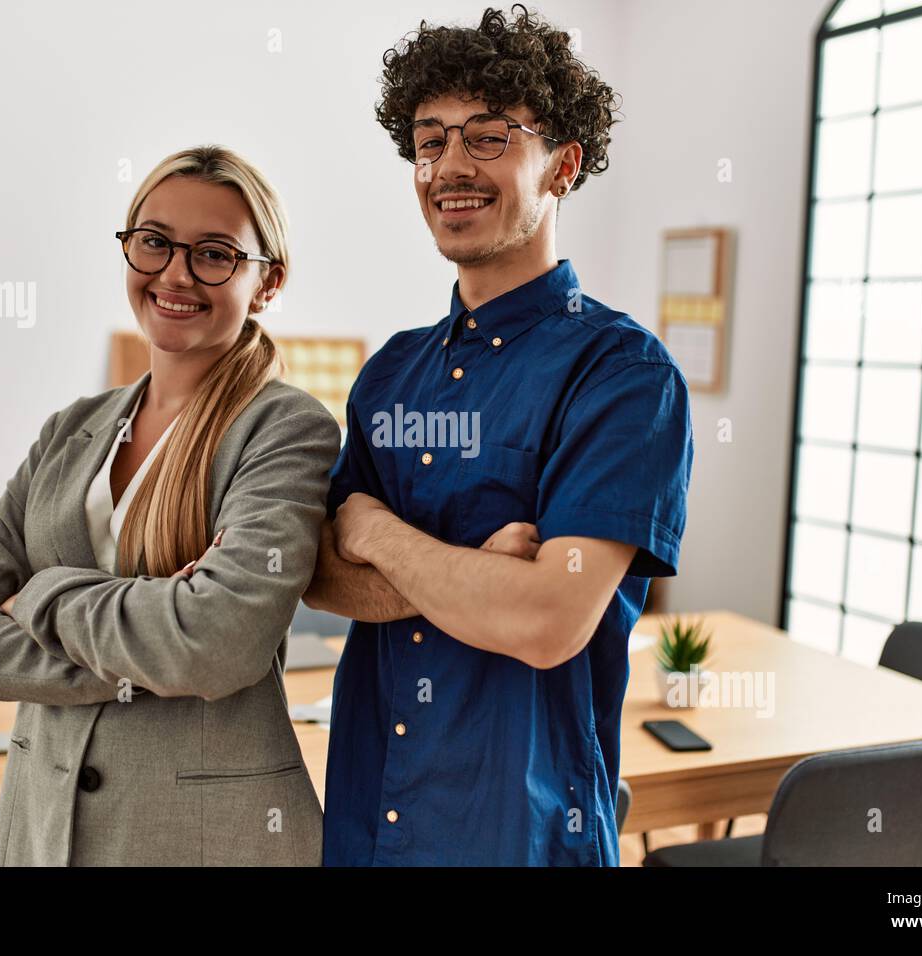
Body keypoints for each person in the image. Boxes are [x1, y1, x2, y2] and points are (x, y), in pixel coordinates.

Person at [305, 5, 694, 866]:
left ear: (562, 165)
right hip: (368, 814)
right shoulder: (390, 374)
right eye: (429, 138)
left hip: (517, 832)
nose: (448, 166)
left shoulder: (624, 377)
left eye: (487, 137)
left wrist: (379, 534)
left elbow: (549, 620)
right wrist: (469, 572)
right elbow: (322, 576)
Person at [0, 145, 340, 866]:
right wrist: (146, 653)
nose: (175, 273)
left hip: (206, 839)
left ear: (268, 281)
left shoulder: (286, 430)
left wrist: (42, 596)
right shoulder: (70, 429)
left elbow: (218, 642)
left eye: (214, 253)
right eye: (154, 242)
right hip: (42, 828)